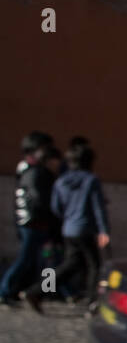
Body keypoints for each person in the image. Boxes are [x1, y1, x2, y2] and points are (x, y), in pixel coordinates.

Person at [1, 131, 58, 310]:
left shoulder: (28, 169)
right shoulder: (32, 171)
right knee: (26, 260)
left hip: (34, 222)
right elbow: (38, 198)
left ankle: (33, 290)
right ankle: (5, 291)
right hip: (32, 223)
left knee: (38, 260)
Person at [50, 142, 110, 308]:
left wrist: (68, 218)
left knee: (71, 264)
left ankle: (38, 290)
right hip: (85, 228)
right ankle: (92, 300)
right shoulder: (91, 180)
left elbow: (56, 207)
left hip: (68, 228)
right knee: (94, 265)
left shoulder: (61, 181)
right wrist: (104, 230)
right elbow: (98, 208)